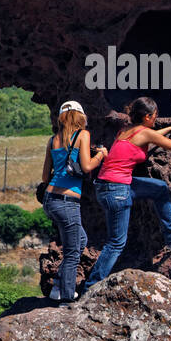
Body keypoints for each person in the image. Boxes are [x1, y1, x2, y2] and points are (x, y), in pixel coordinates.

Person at [81, 96, 171, 292]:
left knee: (159, 188)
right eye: (155, 116)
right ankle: (90, 287)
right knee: (116, 243)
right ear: (147, 117)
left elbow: (151, 136)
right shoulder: (144, 132)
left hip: (108, 186)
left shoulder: (125, 131)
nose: (156, 119)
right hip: (117, 190)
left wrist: (170, 129)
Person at [39, 101, 107, 302]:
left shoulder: (52, 140)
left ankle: (58, 286)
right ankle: (67, 300)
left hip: (50, 200)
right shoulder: (83, 135)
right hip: (67, 201)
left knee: (81, 241)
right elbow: (86, 167)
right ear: (81, 117)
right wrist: (101, 155)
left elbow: (45, 177)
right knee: (72, 253)